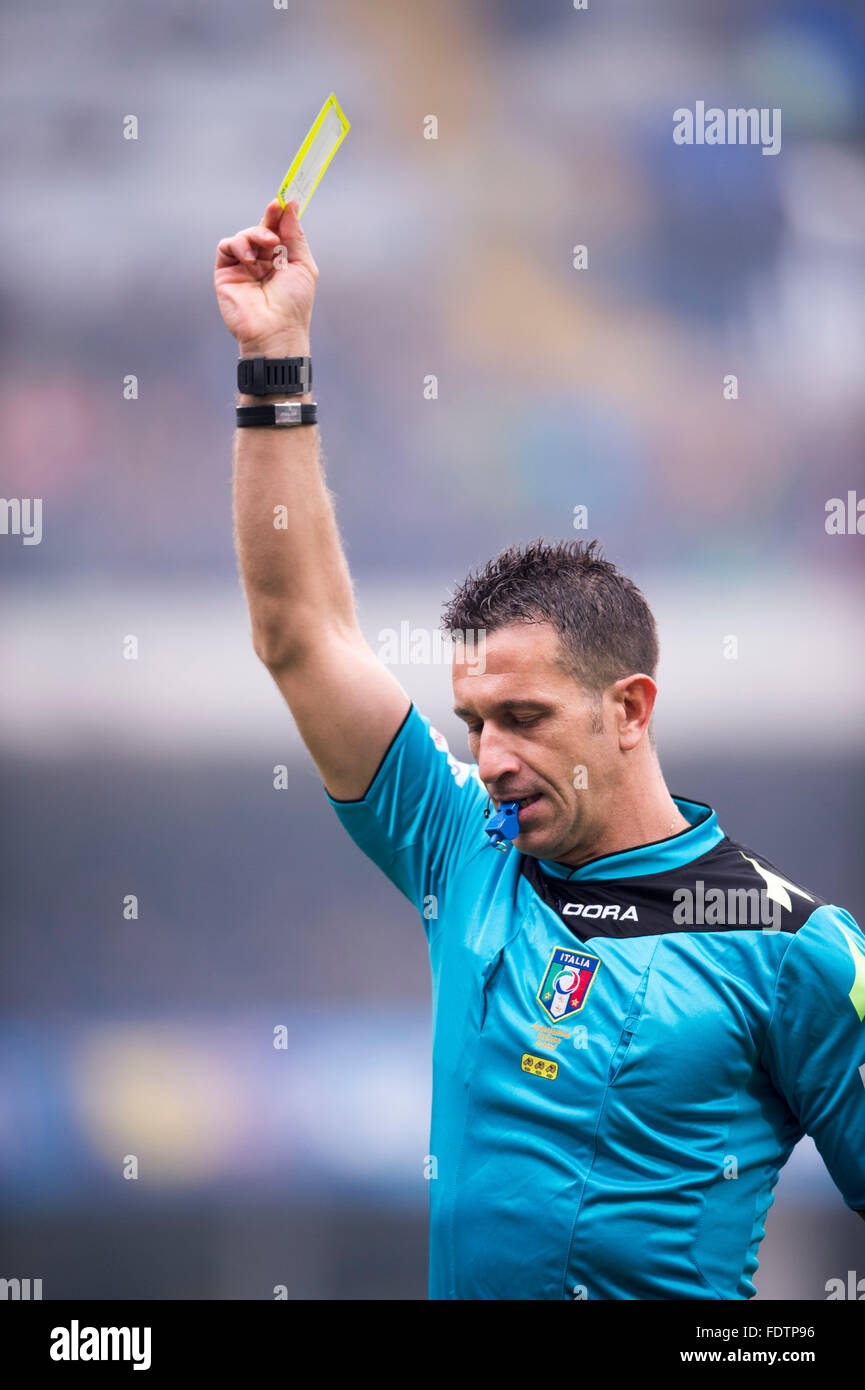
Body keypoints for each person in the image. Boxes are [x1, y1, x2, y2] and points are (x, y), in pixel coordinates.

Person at [214, 200, 865, 1300]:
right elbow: (301, 635)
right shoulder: (464, 846)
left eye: (524, 720)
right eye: (473, 723)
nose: (491, 754)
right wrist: (274, 356)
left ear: (630, 707)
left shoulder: (792, 944)